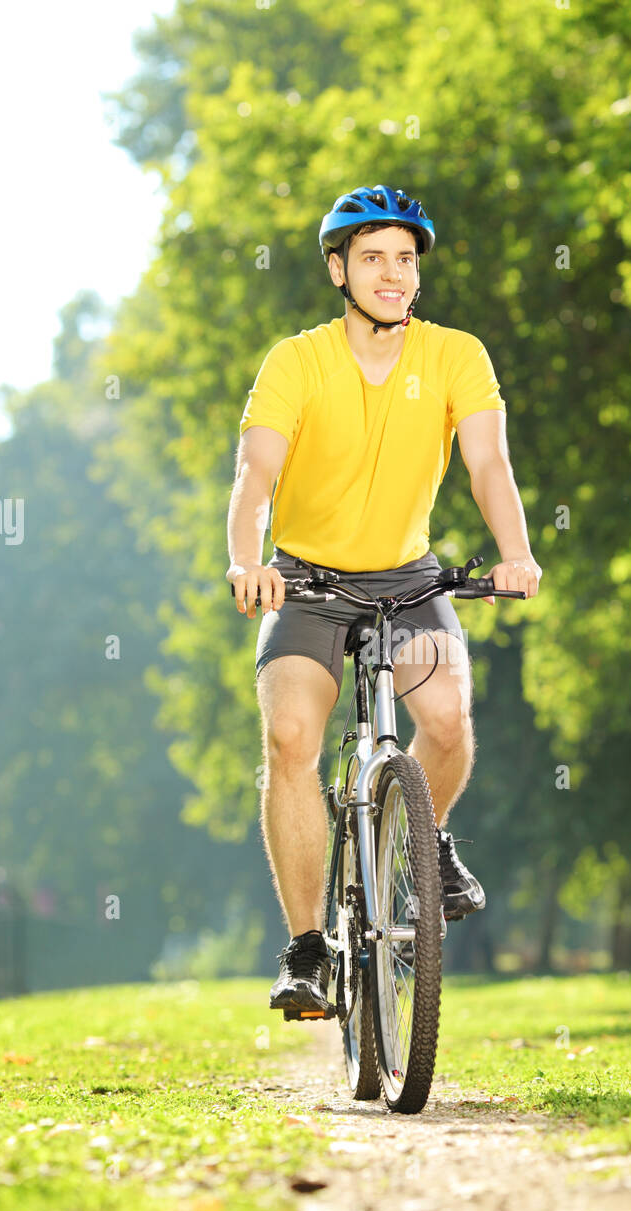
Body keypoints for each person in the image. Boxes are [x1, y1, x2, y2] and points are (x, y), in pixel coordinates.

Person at [227, 184, 541, 1016]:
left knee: (444, 720)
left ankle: (423, 848)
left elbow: (488, 466)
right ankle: (303, 951)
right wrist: (246, 561)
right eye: (373, 258)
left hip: (410, 580)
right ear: (339, 269)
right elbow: (256, 474)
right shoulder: (297, 361)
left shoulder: (457, 355)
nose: (393, 274)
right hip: (306, 579)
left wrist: (515, 553)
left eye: (405, 259)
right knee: (291, 737)